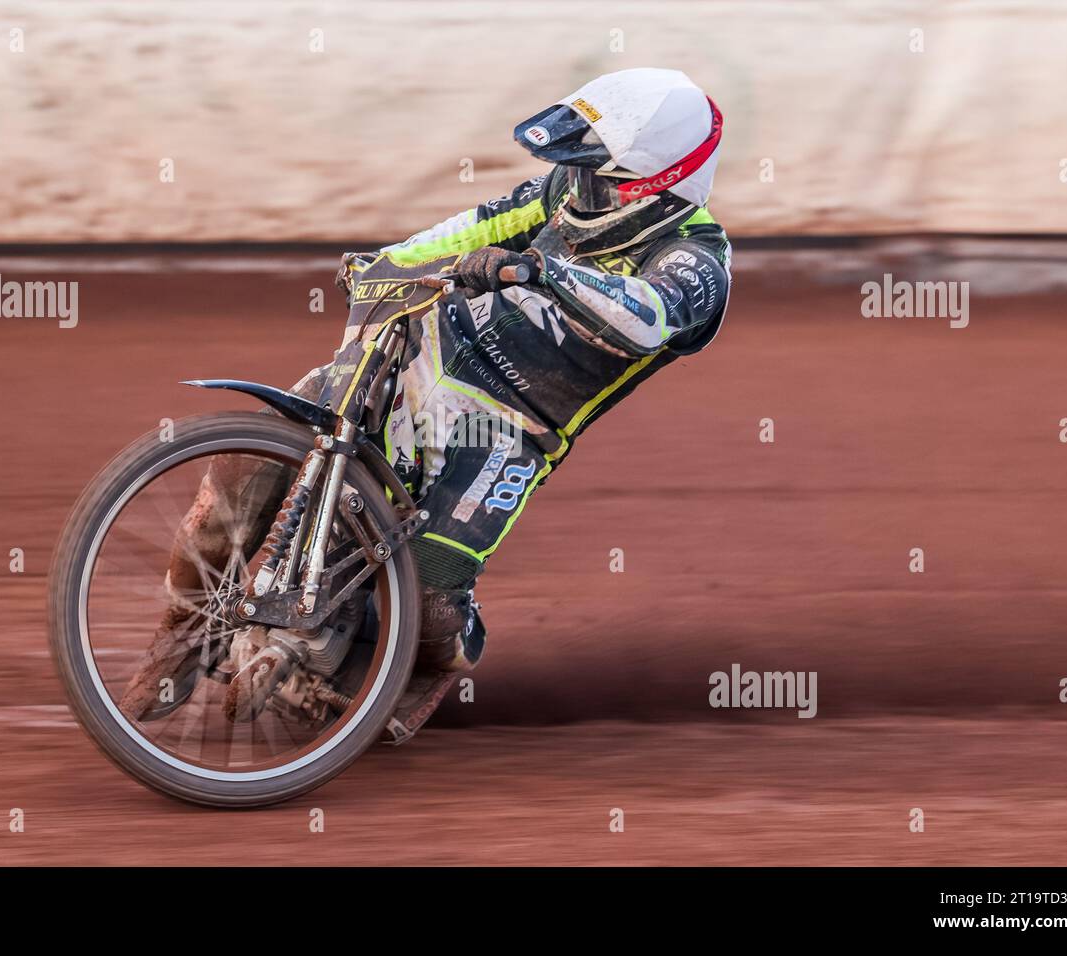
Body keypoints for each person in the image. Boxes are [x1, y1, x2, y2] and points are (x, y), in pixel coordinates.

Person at [123, 67, 733, 743]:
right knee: (248, 463)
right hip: (419, 351)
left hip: (508, 427)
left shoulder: (697, 262)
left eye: (596, 176)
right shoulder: (565, 191)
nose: (577, 188)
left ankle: (416, 665)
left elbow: (649, 316)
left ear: (652, 185)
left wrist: (544, 268)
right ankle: (181, 631)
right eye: (578, 170)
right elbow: (485, 221)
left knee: (435, 592)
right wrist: (389, 260)